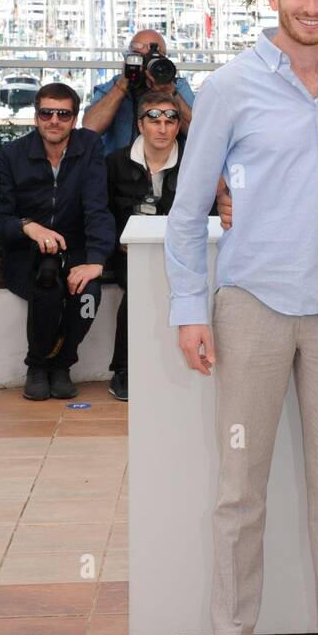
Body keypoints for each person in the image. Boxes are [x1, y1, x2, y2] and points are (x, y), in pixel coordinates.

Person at [165, 0, 318, 635]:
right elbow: (188, 210)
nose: (312, 7)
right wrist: (190, 309)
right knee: (239, 483)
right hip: (251, 304)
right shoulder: (228, 86)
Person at [0, 83, 115, 401]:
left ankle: (63, 364)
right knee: (48, 286)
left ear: (75, 117)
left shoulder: (89, 147)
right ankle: (38, 366)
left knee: (87, 296)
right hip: (26, 253)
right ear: (36, 116)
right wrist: (27, 227)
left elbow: (98, 208)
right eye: (46, 113)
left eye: (63, 114)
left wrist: (95, 260)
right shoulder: (13, 154)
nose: (54, 120)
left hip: (76, 249)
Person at [105, 89, 218, 401]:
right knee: (139, 285)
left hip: (185, 253)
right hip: (128, 255)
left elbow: (207, 214)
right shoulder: (114, 163)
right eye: (154, 119)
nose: (162, 127)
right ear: (141, 124)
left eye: (171, 120)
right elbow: (102, 214)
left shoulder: (195, 163)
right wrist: (118, 243)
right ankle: (123, 369)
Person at [83, 29, 195, 156]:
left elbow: (197, 133)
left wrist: (170, 93)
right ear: (127, 58)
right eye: (137, 57)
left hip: (168, 171)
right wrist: (122, 86)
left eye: (152, 58)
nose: (145, 66)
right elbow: (90, 129)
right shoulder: (114, 86)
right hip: (118, 170)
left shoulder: (177, 87)